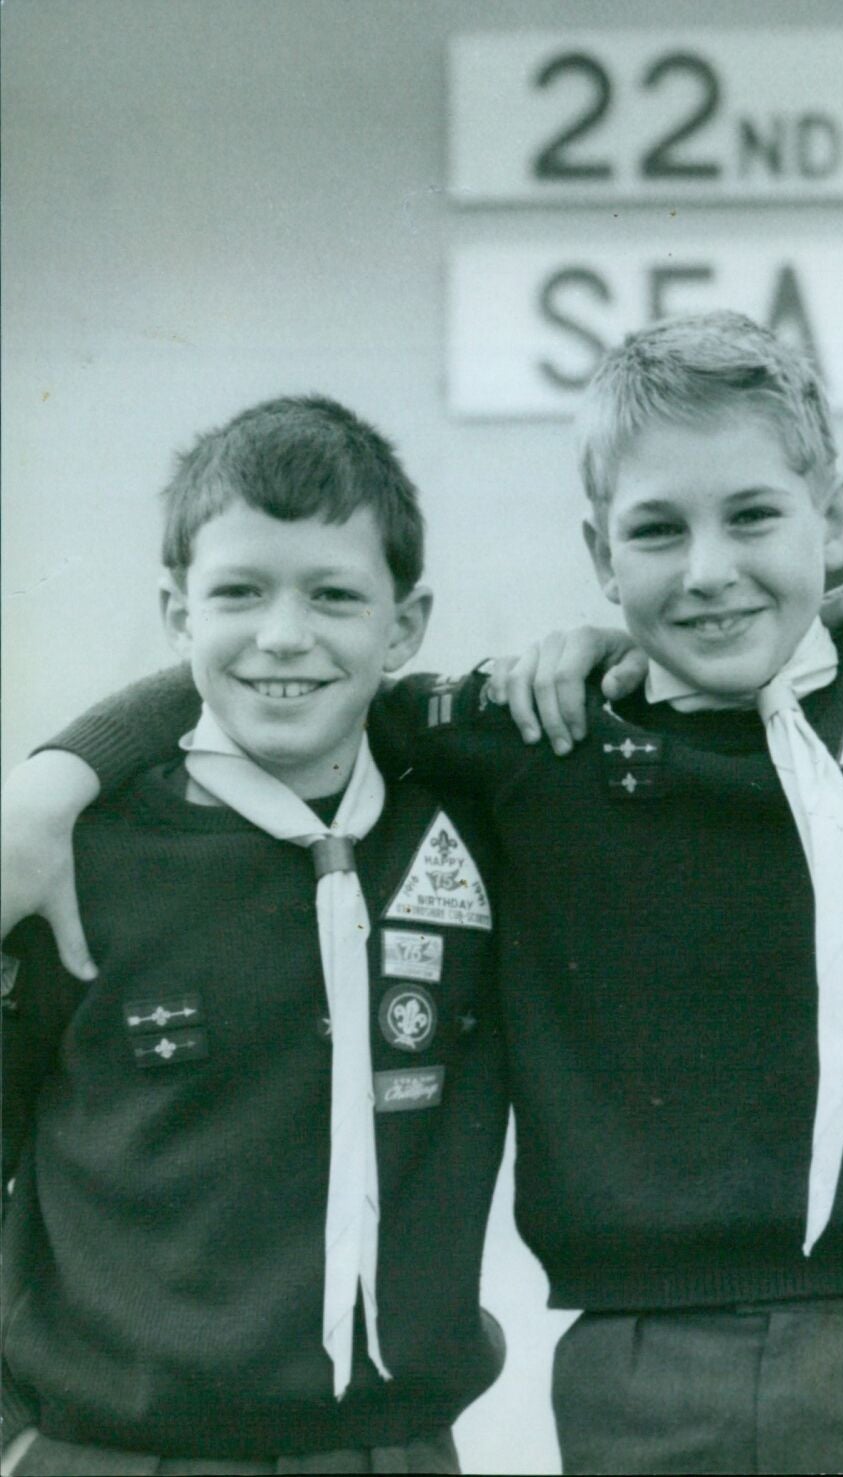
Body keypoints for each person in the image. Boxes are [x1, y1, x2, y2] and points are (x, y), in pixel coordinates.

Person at [3, 313, 843, 1475]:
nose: (708, 568)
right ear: (602, 554)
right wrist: (63, 772)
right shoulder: (530, 748)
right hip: (632, 1372)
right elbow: (280, 680)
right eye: (657, 530)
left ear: (838, 518)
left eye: (753, 516)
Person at [0, 396, 508, 1475]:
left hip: (391, 1451)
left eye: (333, 595)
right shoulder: (70, 861)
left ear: (405, 624)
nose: (285, 636)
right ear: (176, 614)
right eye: (239, 592)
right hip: (107, 1451)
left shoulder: (480, 819)